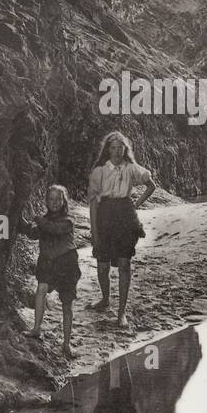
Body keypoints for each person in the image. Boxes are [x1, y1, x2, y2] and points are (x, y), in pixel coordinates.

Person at [87, 131, 156, 330]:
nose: (117, 151)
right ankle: (105, 299)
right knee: (102, 265)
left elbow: (151, 186)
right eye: (113, 147)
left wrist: (136, 204)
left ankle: (121, 313)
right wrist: (94, 232)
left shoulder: (131, 168)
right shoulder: (99, 171)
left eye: (120, 147)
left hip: (126, 217)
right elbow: (93, 204)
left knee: (125, 264)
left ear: (125, 149)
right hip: (105, 216)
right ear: (107, 150)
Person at [20, 185, 81, 358]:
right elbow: (33, 233)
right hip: (47, 262)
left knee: (67, 304)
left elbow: (55, 229)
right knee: (41, 290)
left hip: (67, 264)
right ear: (46, 201)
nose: (54, 203)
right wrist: (21, 220)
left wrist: (38, 219)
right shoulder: (44, 220)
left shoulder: (68, 220)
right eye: (51, 199)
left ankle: (67, 344)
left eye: (58, 199)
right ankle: (36, 328)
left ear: (64, 202)